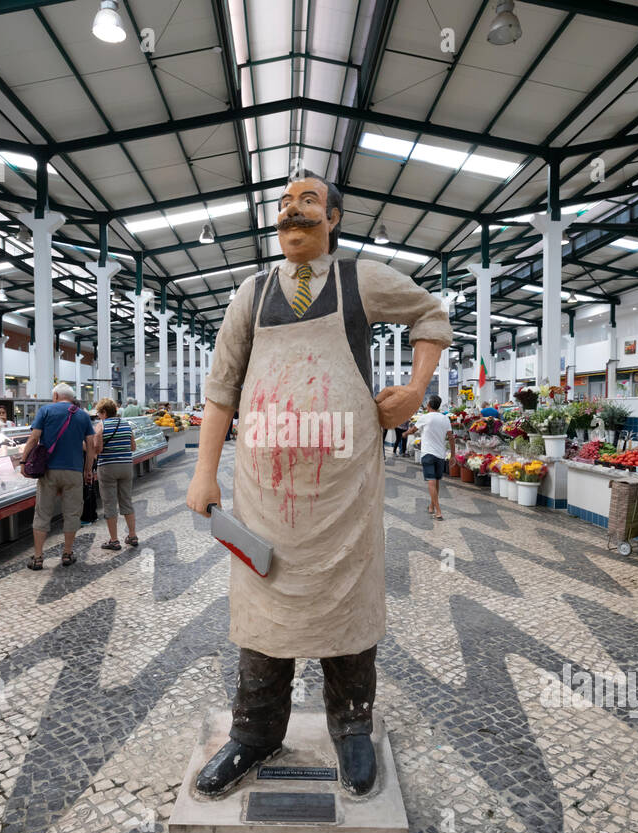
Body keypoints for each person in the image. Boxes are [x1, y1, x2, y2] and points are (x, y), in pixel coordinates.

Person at [186, 169, 451, 796]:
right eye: (284, 203)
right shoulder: (250, 294)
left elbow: (431, 313)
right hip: (263, 495)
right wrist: (203, 470)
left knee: (348, 609)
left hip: (345, 495)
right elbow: (222, 388)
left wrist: (415, 390)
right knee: (264, 611)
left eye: (308, 201)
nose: (293, 211)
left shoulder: (361, 280)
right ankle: (254, 732)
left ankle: (352, 730)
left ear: (333, 217)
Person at [20, 384, 95, 570]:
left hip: (49, 471)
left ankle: (38, 557)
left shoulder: (45, 411)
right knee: (72, 513)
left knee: (42, 513)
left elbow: (33, 438)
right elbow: (91, 446)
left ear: (55, 395)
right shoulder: (83, 415)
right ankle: (67, 554)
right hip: (74, 471)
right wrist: (88, 470)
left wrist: (23, 462)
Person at [94, 397, 138, 551]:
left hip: (108, 468)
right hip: (126, 467)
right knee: (126, 500)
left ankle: (114, 540)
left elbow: (97, 449)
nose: (98, 416)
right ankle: (132, 535)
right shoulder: (126, 424)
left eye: (99, 413)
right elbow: (133, 447)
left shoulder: (101, 425)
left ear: (104, 412)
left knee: (109, 503)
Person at [407, 395, 451, 519]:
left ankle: (438, 511)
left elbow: (413, 430)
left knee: (431, 482)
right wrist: (452, 454)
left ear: (429, 405)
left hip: (427, 453)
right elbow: (451, 437)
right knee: (436, 481)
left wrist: (405, 433)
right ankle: (432, 506)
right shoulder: (445, 419)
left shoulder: (424, 417)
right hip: (440, 454)